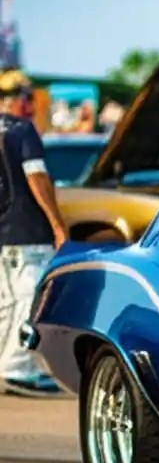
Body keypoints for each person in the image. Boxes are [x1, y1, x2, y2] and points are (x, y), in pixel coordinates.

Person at [0, 70, 70, 396]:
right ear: (15, 100)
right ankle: (18, 370)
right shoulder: (21, 131)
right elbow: (36, 177)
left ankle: (6, 365)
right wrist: (57, 224)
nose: (31, 106)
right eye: (27, 98)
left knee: (6, 303)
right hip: (25, 233)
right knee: (30, 298)